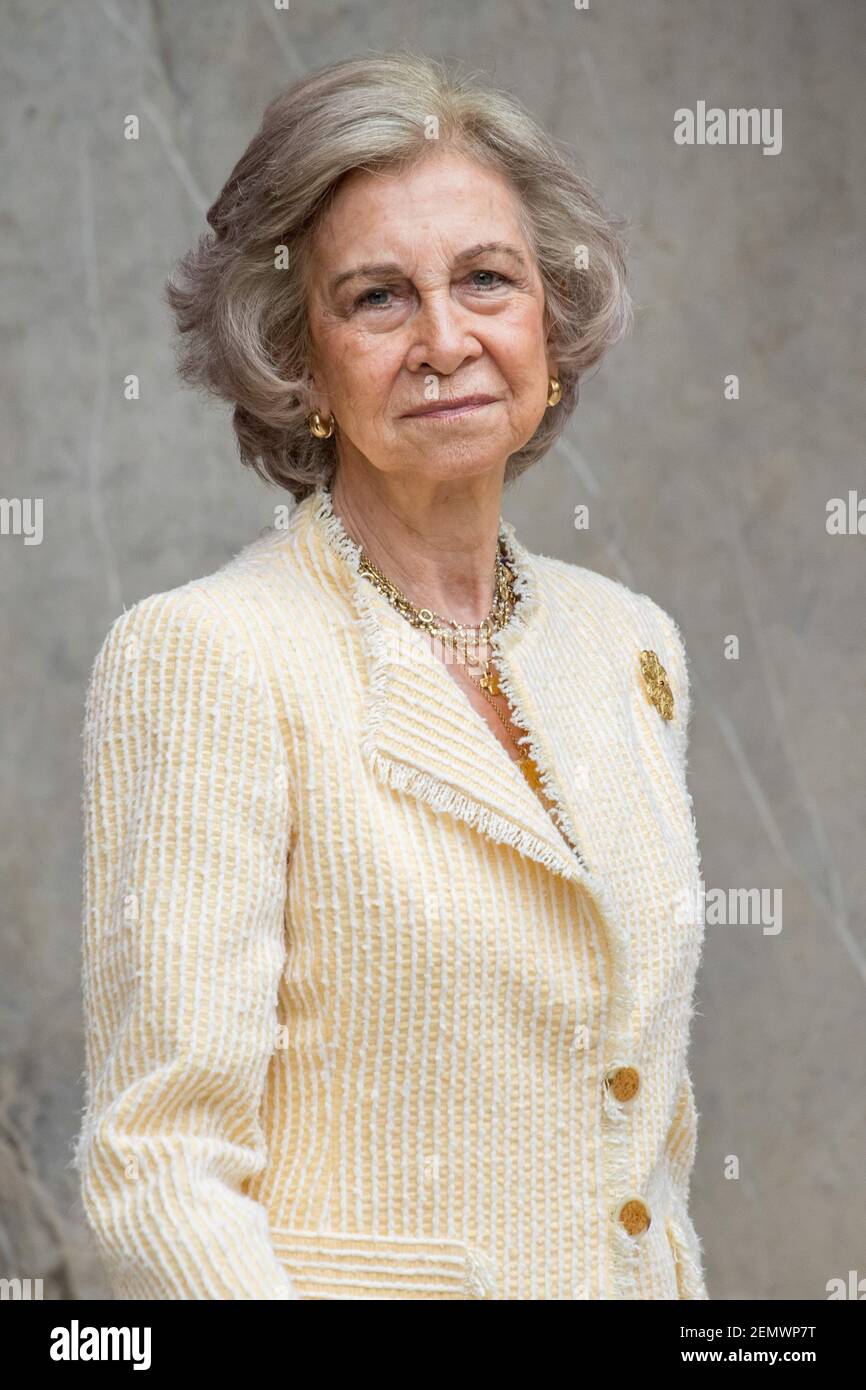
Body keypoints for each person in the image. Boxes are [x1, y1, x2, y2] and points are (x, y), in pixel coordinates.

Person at [74, 49, 709, 1300]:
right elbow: (160, 1165)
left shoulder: (628, 645)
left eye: (486, 279)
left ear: (549, 325)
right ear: (296, 360)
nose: (444, 340)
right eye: (376, 297)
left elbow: (640, 1136)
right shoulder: (208, 656)